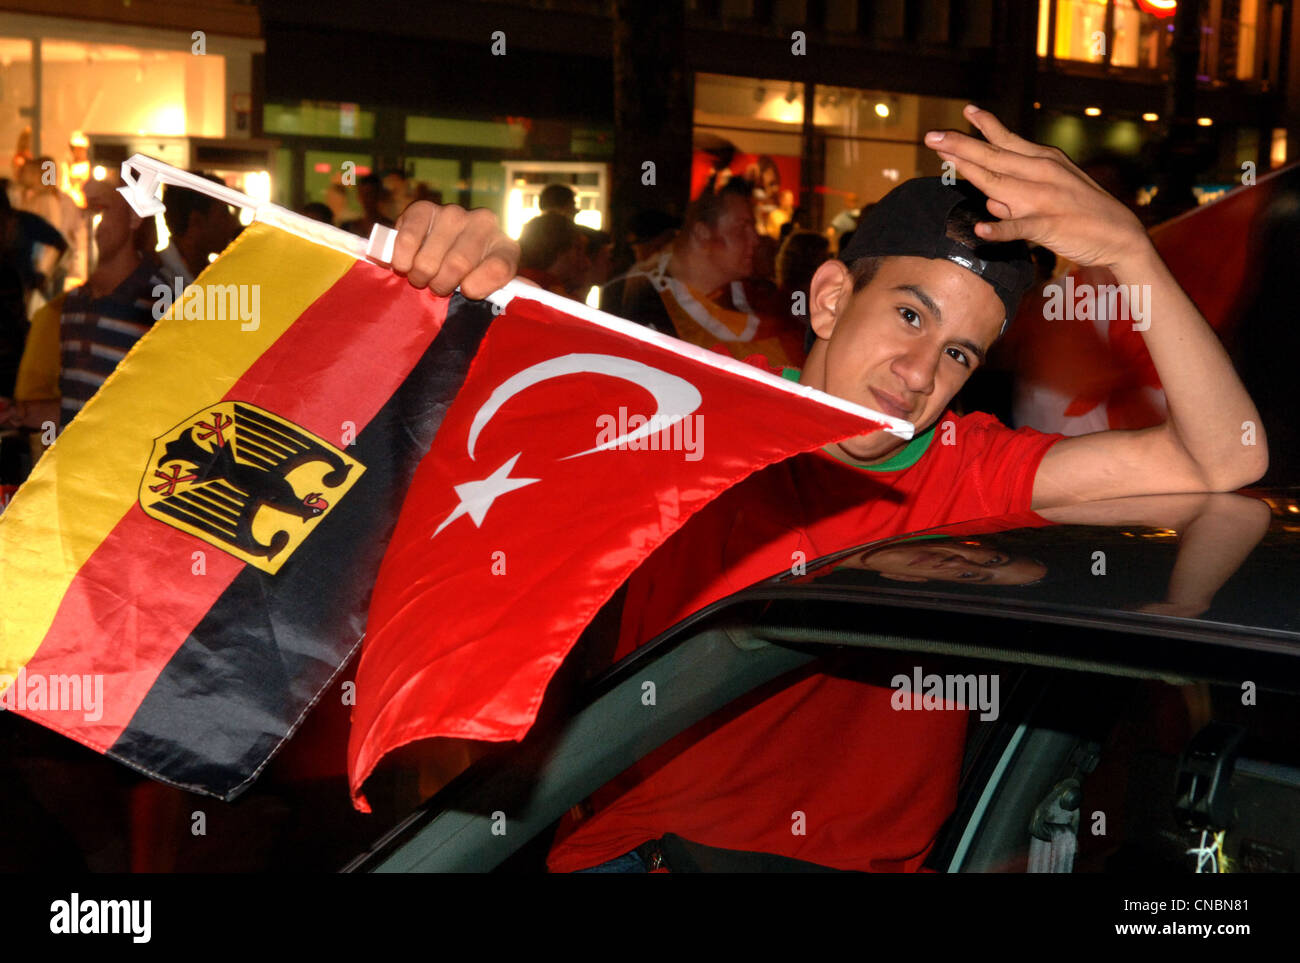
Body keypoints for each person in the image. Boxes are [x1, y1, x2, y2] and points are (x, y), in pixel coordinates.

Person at [377, 105, 1266, 871]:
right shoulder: (691, 412)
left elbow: (1226, 459)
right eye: (911, 314)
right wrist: (462, 274)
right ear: (834, 297)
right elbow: (476, 404)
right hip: (653, 853)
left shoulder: (970, 467)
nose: (922, 371)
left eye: (959, 352)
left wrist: (1131, 254)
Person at [600, 177, 804, 367]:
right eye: (743, 228)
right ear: (702, 233)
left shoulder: (754, 297)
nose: (756, 239)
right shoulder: (640, 300)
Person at [158, 174, 242, 290]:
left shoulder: (214, 276)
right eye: (224, 213)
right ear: (197, 221)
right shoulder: (159, 281)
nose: (232, 222)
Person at [516, 212, 590, 295]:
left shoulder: (512, 282)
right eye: (578, 250)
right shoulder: (555, 296)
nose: (587, 263)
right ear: (559, 250)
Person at [341, 174, 394, 240]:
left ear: (379, 195)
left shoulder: (390, 228)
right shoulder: (348, 226)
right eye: (364, 195)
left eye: (371, 194)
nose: (367, 199)